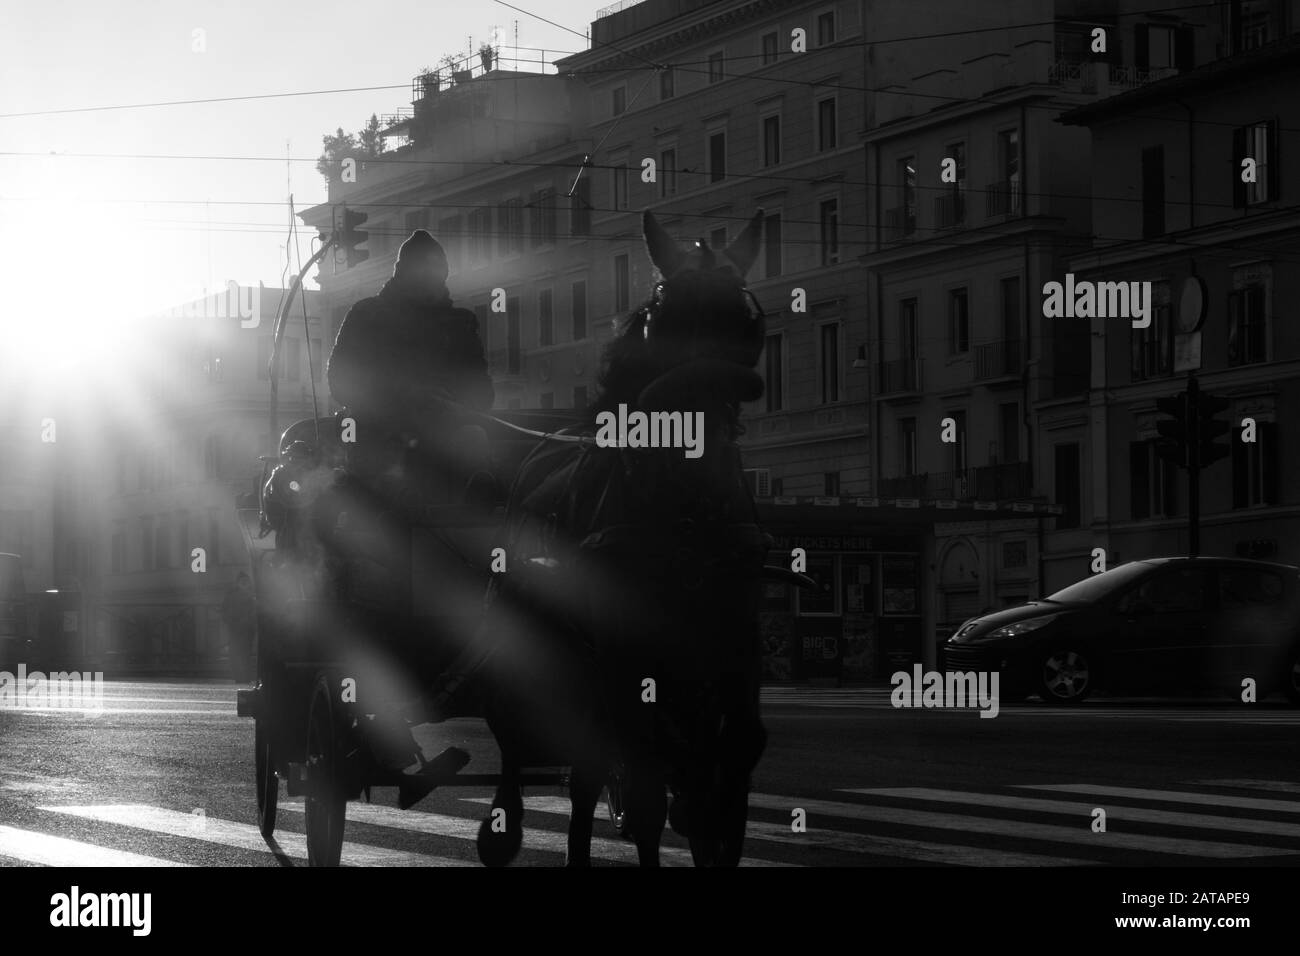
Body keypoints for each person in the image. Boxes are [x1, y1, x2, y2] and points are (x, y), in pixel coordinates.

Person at [327, 230, 494, 508]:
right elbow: (340, 383)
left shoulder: (461, 323)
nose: (431, 278)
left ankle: (482, 505)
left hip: (447, 436)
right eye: (423, 270)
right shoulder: (367, 315)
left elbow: (483, 393)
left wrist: (457, 402)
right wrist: (405, 396)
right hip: (380, 435)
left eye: (436, 270)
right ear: (403, 272)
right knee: (393, 472)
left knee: (475, 439)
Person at [222, 572, 256, 683]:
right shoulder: (246, 595)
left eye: (246, 582)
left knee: (243, 653)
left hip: (243, 629)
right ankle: (241, 676)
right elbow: (226, 612)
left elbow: (225, 611)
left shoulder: (245, 595)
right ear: (238, 583)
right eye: (243, 582)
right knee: (240, 653)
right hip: (239, 629)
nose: (246, 584)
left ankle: (243, 676)